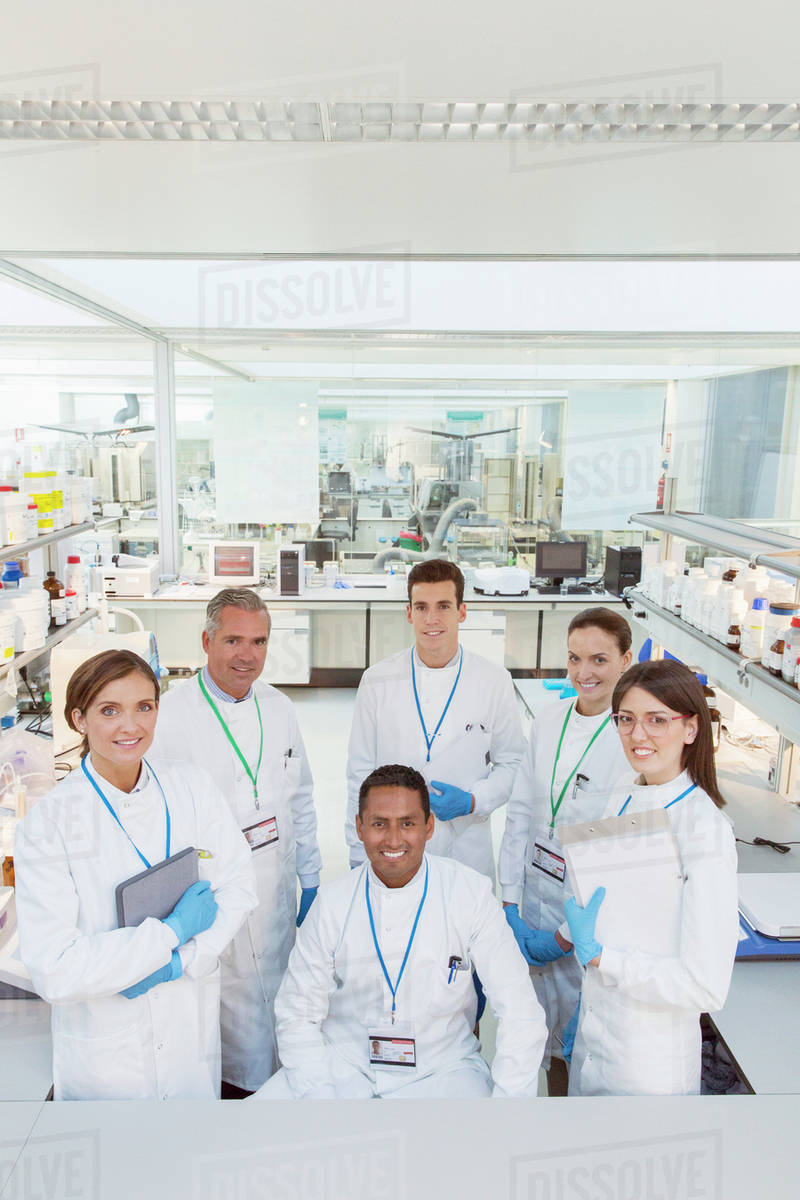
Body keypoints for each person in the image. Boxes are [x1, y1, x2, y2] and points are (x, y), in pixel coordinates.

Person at [14, 650, 257, 1101]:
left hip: (188, 1032)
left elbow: (238, 886)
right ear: (79, 719)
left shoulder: (192, 787)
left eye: (144, 707)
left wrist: (188, 958)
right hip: (107, 1055)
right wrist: (171, 933)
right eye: (110, 711)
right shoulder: (49, 824)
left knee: (191, 1139)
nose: (131, 726)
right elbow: (56, 969)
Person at [253, 764, 547, 1099]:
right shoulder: (332, 902)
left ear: (429, 826)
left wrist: (508, 1107)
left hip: (443, 1069)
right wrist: (319, 1097)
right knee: (255, 1123)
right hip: (345, 1063)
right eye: (379, 824)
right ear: (359, 827)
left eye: (407, 823)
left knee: (478, 1131)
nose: (393, 839)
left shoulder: (470, 895)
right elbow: (297, 1012)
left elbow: (520, 1011)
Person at [151, 587, 322, 1096]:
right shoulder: (171, 716)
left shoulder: (279, 707)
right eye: (233, 641)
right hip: (212, 894)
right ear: (207, 641)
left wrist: (311, 876)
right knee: (225, 1015)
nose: (247, 655)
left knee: (281, 1002)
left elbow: (301, 795)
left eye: (259, 642)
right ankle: (232, 1100)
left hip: (276, 886)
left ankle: (278, 1092)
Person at [560, 659, 739, 1096]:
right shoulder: (626, 791)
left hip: (649, 1064)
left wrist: (603, 960)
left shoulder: (705, 830)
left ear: (691, 728)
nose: (638, 735)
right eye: (626, 719)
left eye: (657, 720)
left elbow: (704, 987)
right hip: (595, 1035)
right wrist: (569, 937)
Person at [497, 606, 634, 1093]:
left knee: (581, 1044)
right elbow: (520, 811)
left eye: (599, 659)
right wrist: (509, 902)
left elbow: (618, 859)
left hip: (584, 923)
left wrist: (563, 936)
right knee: (542, 1034)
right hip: (533, 897)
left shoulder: (630, 740)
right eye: (574, 658)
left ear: (625, 661)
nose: (583, 672)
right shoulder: (549, 720)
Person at [346, 560, 524, 881]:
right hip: (394, 844)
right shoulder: (377, 680)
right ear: (409, 613)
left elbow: (512, 763)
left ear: (462, 612)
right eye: (421, 607)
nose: (431, 619)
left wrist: (474, 800)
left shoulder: (494, 681)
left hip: (466, 844)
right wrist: (358, 853)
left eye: (443, 606)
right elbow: (359, 772)